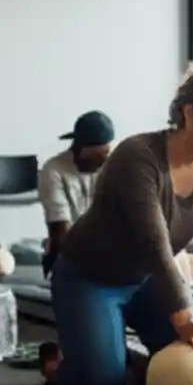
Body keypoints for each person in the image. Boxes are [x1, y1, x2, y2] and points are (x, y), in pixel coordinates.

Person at [42, 62, 193, 385]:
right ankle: (62, 362)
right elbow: (155, 245)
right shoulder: (137, 156)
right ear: (189, 114)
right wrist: (186, 319)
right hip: (89, 279)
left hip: (146, 282)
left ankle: (115, 353)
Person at [39, 110, 116, 277]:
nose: (105, 159)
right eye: (99, 154)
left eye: (107, 152)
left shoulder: (112, 168)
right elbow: (61, 232)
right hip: (72, 255)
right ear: (80, 148)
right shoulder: (54, 170)